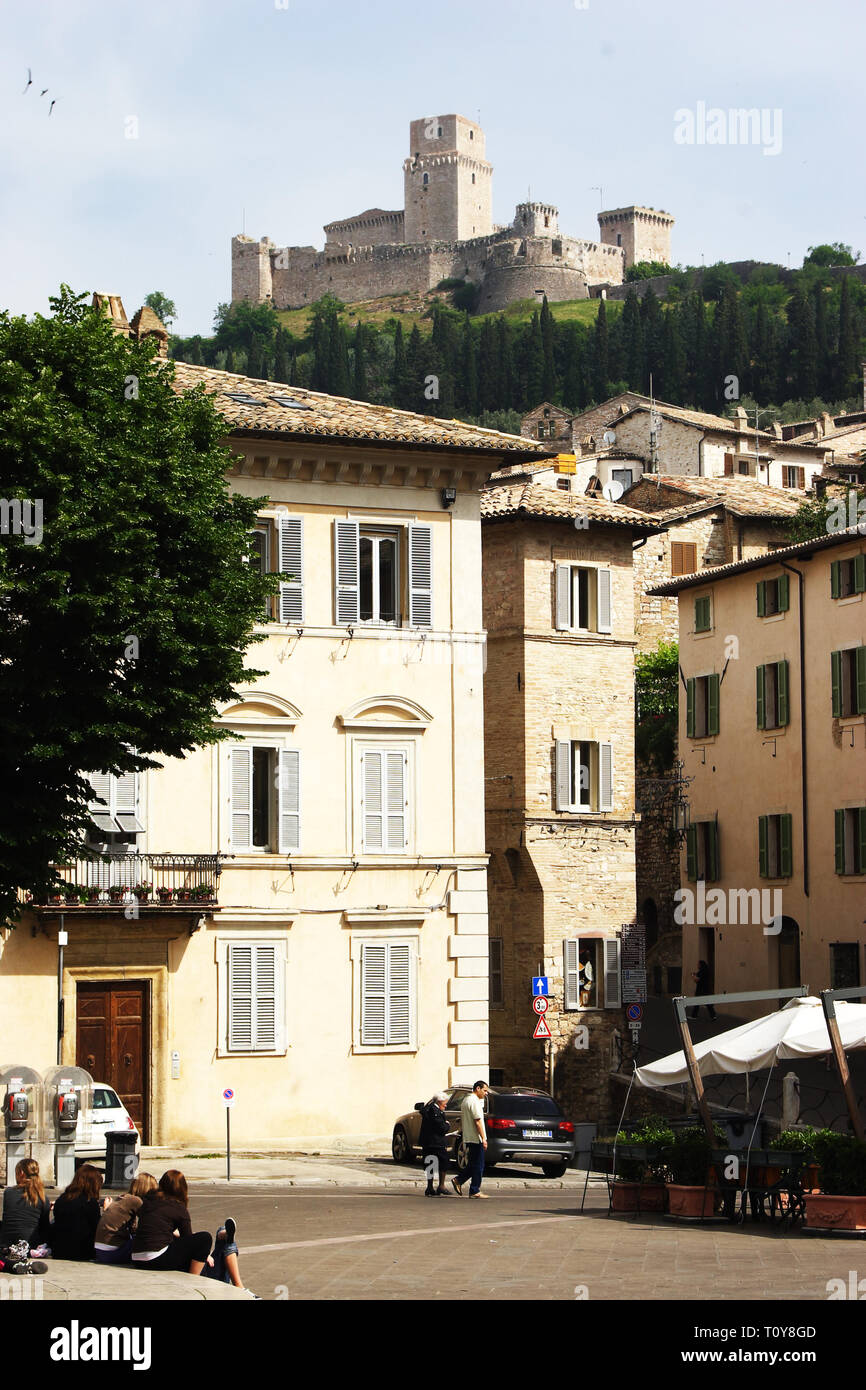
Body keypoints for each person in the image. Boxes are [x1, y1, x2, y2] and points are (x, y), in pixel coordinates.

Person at [131, 1170, 212, 1274]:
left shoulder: (148, 1199)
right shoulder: (179, 1207)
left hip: (136, 1258)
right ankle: (194, 1278)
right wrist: (205, 1254)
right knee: (205, 1238)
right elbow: (187, 1238)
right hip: (156, 1258)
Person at [93, 1172, 158, 1265]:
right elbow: (150, 1221)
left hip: (100, 1252)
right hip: (112, 1253)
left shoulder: (123, 1198)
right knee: (145, 1242)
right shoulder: (137, 1201)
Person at [50, 1164, 104, 1261]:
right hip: (83, 1252)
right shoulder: (90, 1202)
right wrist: (107, 1211)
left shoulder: (62, 1199)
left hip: (59, 1251)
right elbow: (98, 1228)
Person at [0, 1159, 51, 1254]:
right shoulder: (42, 1197)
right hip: (31, 1244)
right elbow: (44, 1226)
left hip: (7, 1245)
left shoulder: (9, 1192)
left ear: (21, 1173)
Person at [452, 1080, 489, 1199]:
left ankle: (459, 1180)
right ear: (477, 1089)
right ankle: (474, 1190)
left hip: (468, 1136)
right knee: (479, 1165)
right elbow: (477, 1121)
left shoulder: (466, 1100)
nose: (486, 1093)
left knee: (473, 1164)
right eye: (484, 1090)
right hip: (475, 1137)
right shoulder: (474, 1101)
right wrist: (483, 1138)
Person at [420, 1093, 450, 1197]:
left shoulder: (428, 1109)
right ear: (439, 1102)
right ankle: (441, 1186)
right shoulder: (435, 1111)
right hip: (436, 1142)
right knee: (443, 1162)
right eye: (445, 1103)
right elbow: (441, 1127)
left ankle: (430, 1187)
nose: (446, 1105)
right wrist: (447, 1125)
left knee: (430, 1163)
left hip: (427, 1142)